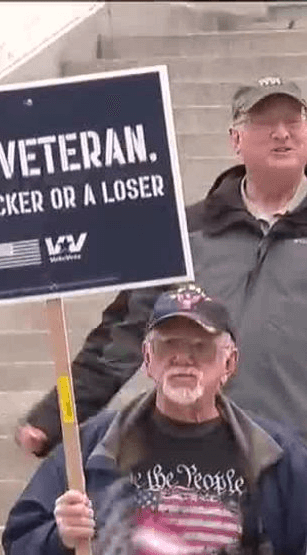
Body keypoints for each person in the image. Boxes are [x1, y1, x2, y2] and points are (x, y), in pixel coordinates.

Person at [16, 76, 307, 457]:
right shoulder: (187, 233)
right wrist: (56, 415)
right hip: (198, 459)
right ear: (235, 140)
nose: (282, 134)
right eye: (265, 123)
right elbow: (119, 338)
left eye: (294, 121)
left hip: (297, 458)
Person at [3, 285, 307, 554]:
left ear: (229, 363)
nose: (182, 357)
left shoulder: (277, 455)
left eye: (200, 346)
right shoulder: (92, 446)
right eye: (168, 345)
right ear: (148, 360)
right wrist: (61, 539)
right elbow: (20, 538)